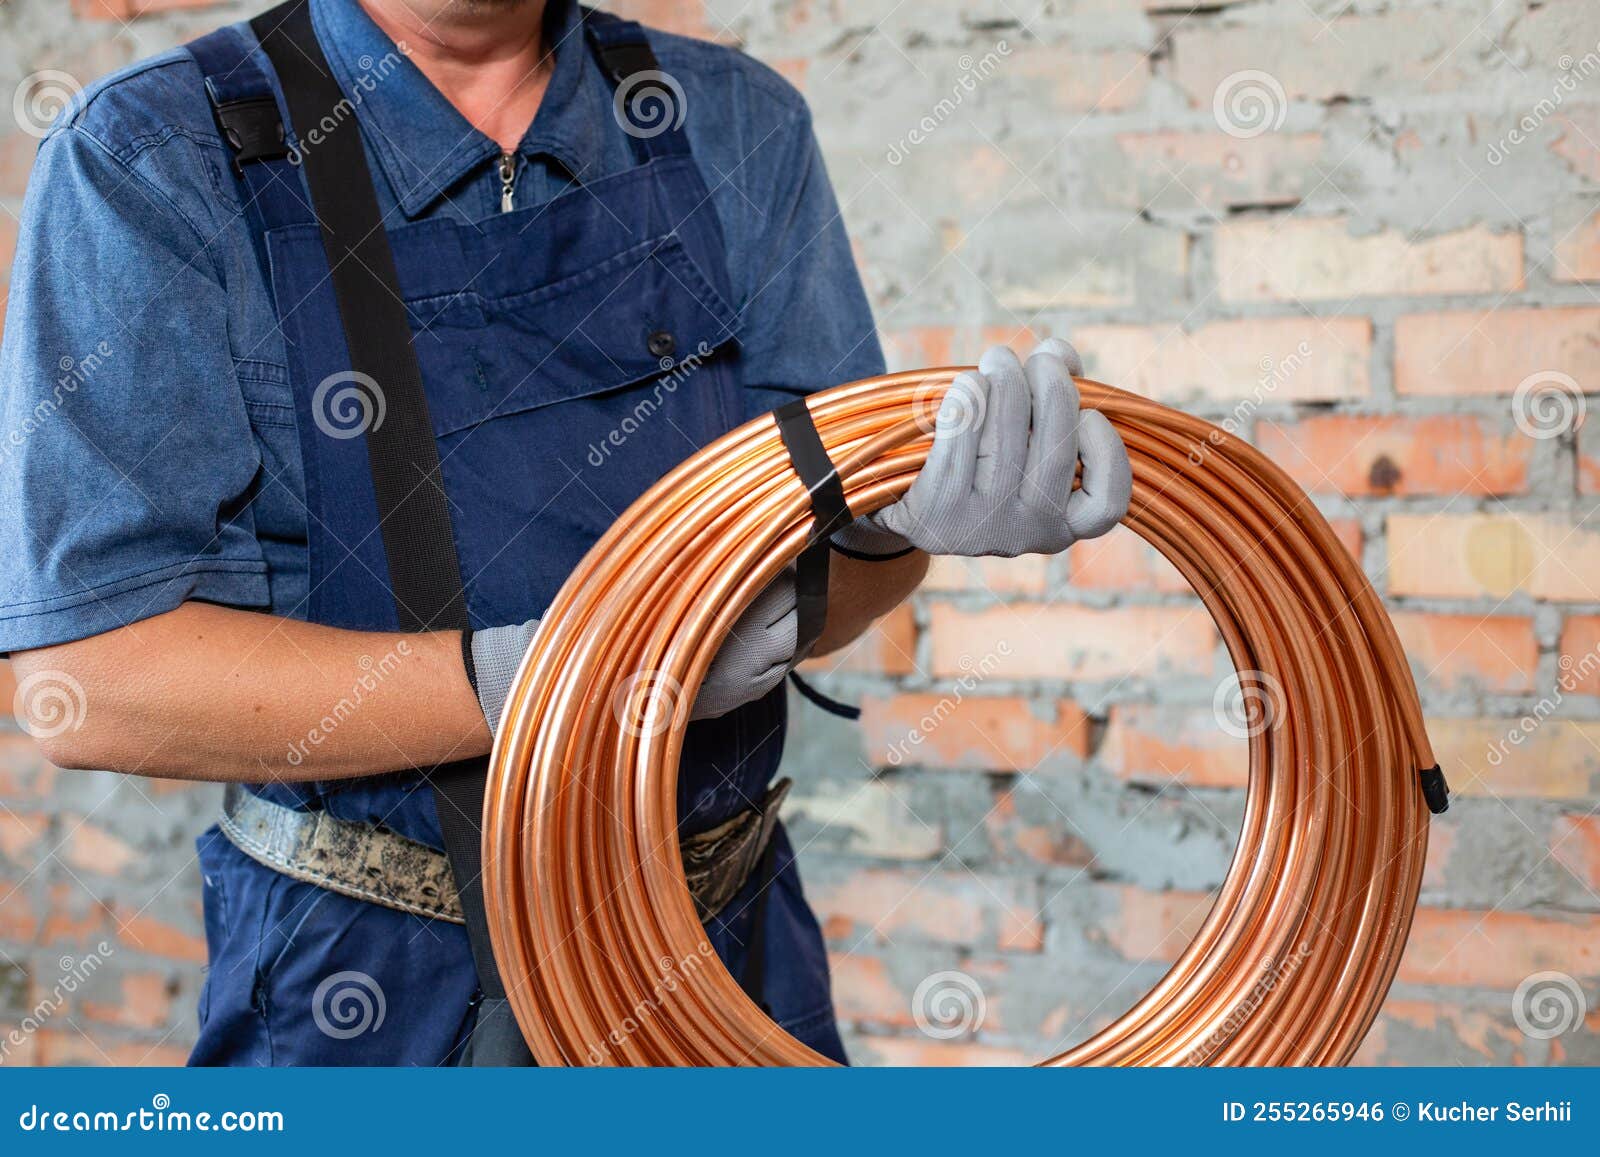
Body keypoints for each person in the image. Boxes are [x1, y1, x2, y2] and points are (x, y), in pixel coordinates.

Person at [0, 0, 1131, 1065]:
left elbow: (834, 561)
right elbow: (93, 679)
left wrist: (896, 532)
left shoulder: (731, 119)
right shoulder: (158, 156)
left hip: (724, 947)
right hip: (370, 994)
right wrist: (573, 674)